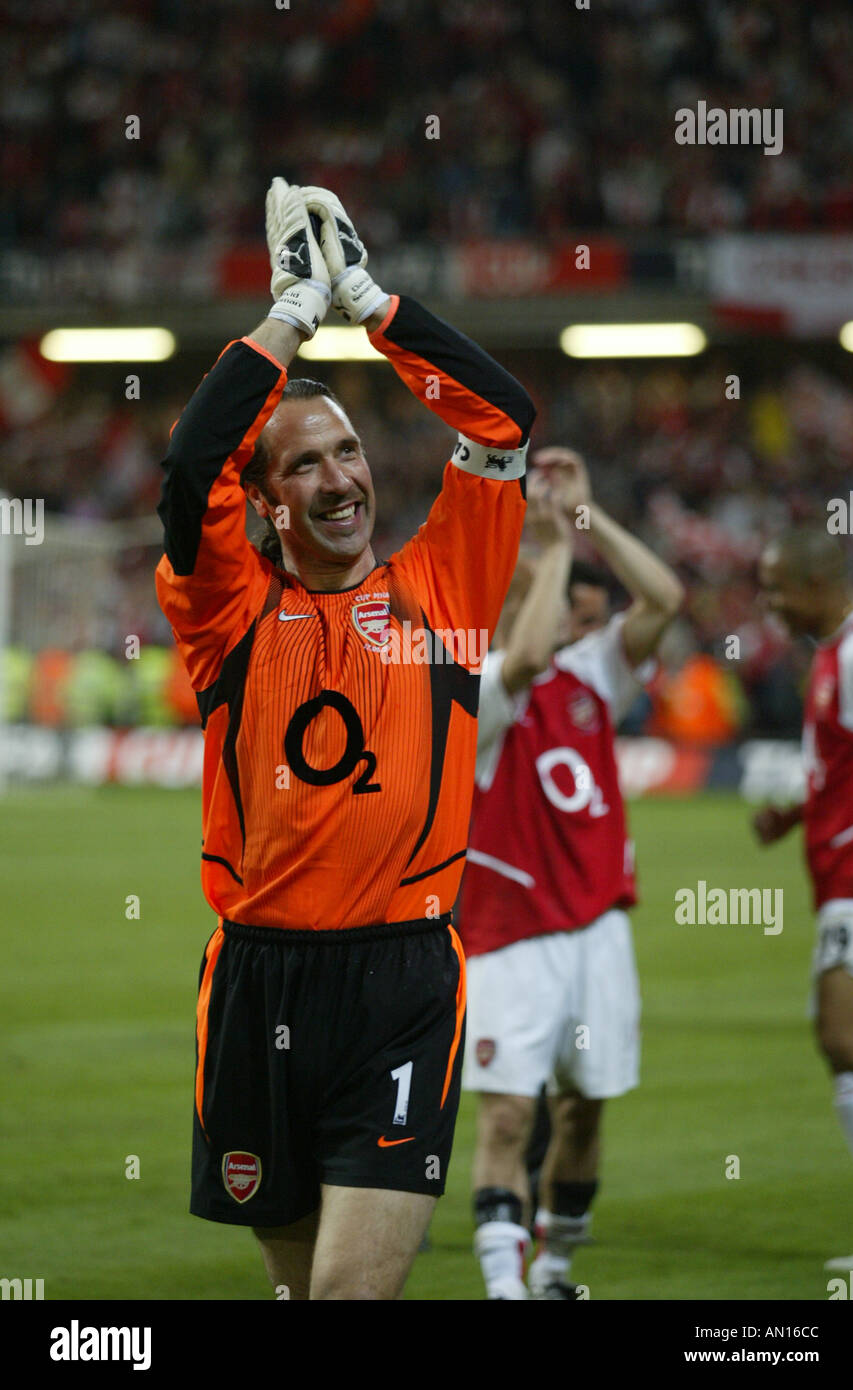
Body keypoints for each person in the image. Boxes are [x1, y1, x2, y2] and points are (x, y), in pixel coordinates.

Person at [154, 179, 535, 1300]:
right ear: (265, 504)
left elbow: (500, 418)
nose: (341, 480)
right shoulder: (227, 614)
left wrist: (371, 305)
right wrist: (287, 315)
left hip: (401, 980)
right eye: (305, 466)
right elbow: (189, 472)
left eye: (350, 453)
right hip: (256, 979)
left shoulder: (443, 586)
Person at [458, 448, 684, 1299]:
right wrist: (549, 545)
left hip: (598, 930)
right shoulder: (474, 691)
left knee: (584, 1108)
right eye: (537, 594)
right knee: (509, 1114)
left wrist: (584, 521)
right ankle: (504, 1289)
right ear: (512, 606)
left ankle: (553, 1270)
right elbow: (517, 664)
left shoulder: (593, 674)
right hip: (508, 939)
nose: (559, 613)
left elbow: (664, 598)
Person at [753, 528, 853, 1273]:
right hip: (839, 878)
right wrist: (793, 815)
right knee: (845, 1051)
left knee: (838, 1034)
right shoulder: (830, 654)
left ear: (814, 584)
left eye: (774, 589)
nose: (767, 604)